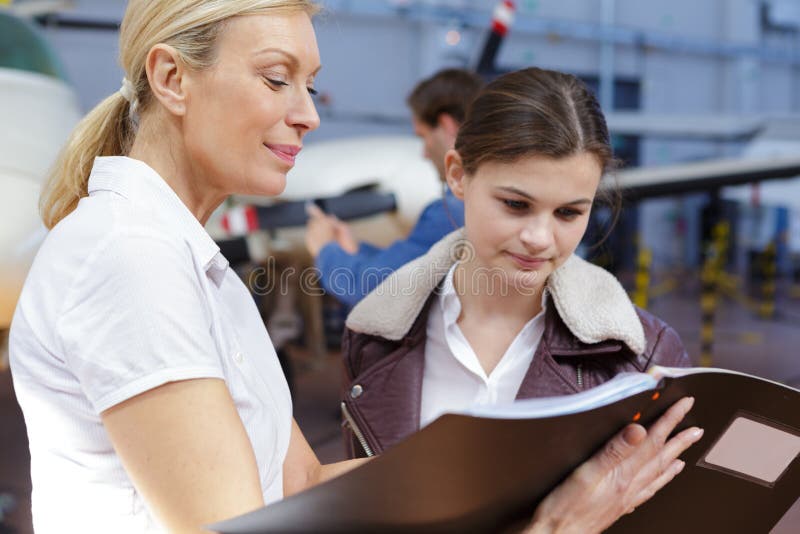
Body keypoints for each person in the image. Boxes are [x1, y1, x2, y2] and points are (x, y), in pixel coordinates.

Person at [8, 2, 701, 532]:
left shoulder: (188, 261)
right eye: (277, 79)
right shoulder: (131, 259)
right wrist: (549, 523)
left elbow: (302, 481)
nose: (307, 114)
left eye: (309, 85)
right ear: (171, 78)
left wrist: (530, 466)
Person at [341, 67, 693, 458]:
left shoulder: (645, 360)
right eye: (515, 205)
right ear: (457, 175)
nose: (540, 239)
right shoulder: (373, 339)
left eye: (568, 213)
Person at [304, 69, 483, 308]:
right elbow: (412, 264)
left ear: (447, 126)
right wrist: (356, 250)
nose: (424, 152)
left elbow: (376, 290)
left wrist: (326, 250)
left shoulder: (452, 212)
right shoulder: (485, 202)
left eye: (423, 136)